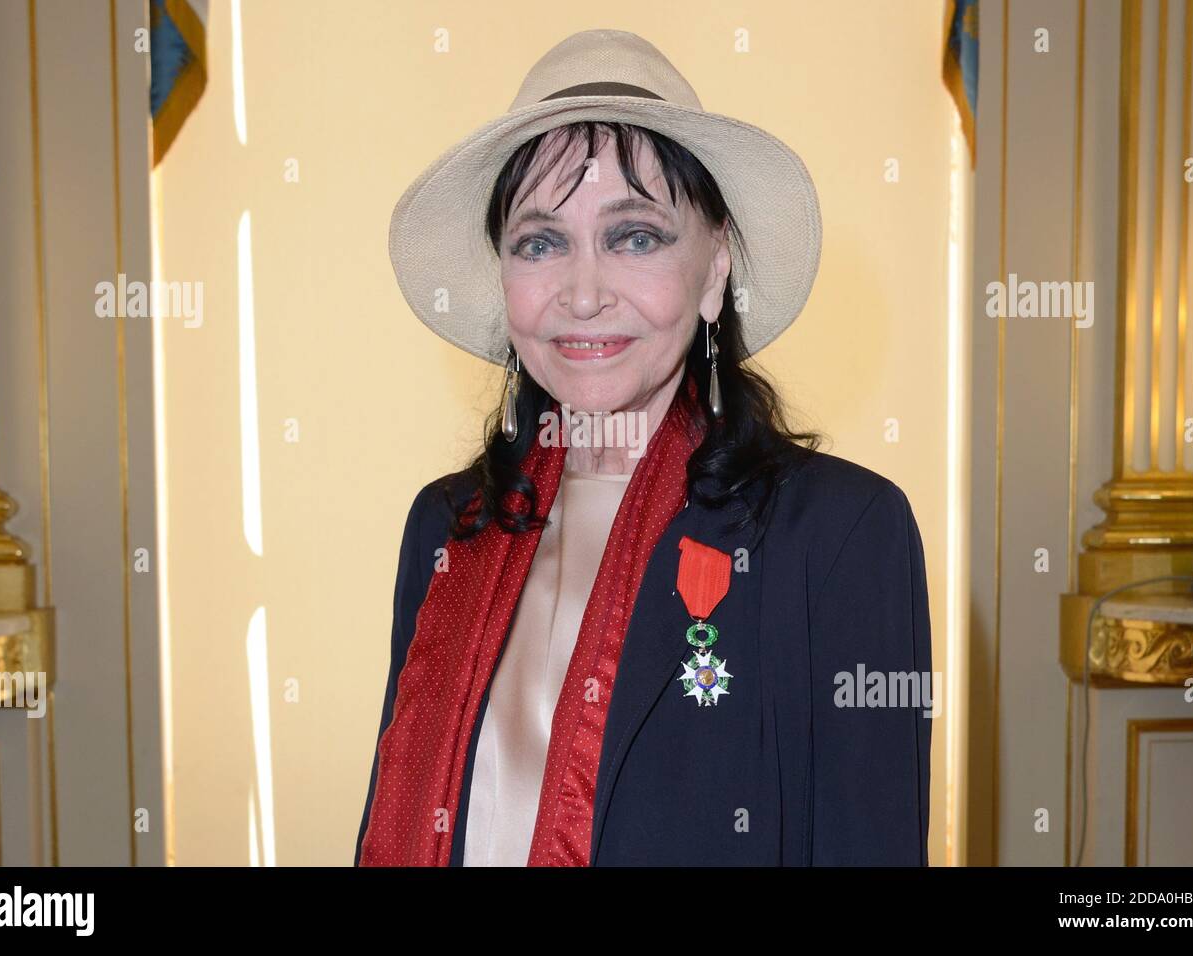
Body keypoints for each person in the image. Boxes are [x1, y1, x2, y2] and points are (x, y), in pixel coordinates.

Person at [356, 29, 932, 866]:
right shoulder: (446, 530)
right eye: (540, 242)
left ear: (714, 269)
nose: (583, 294)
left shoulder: (840, 536)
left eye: (635, 237)